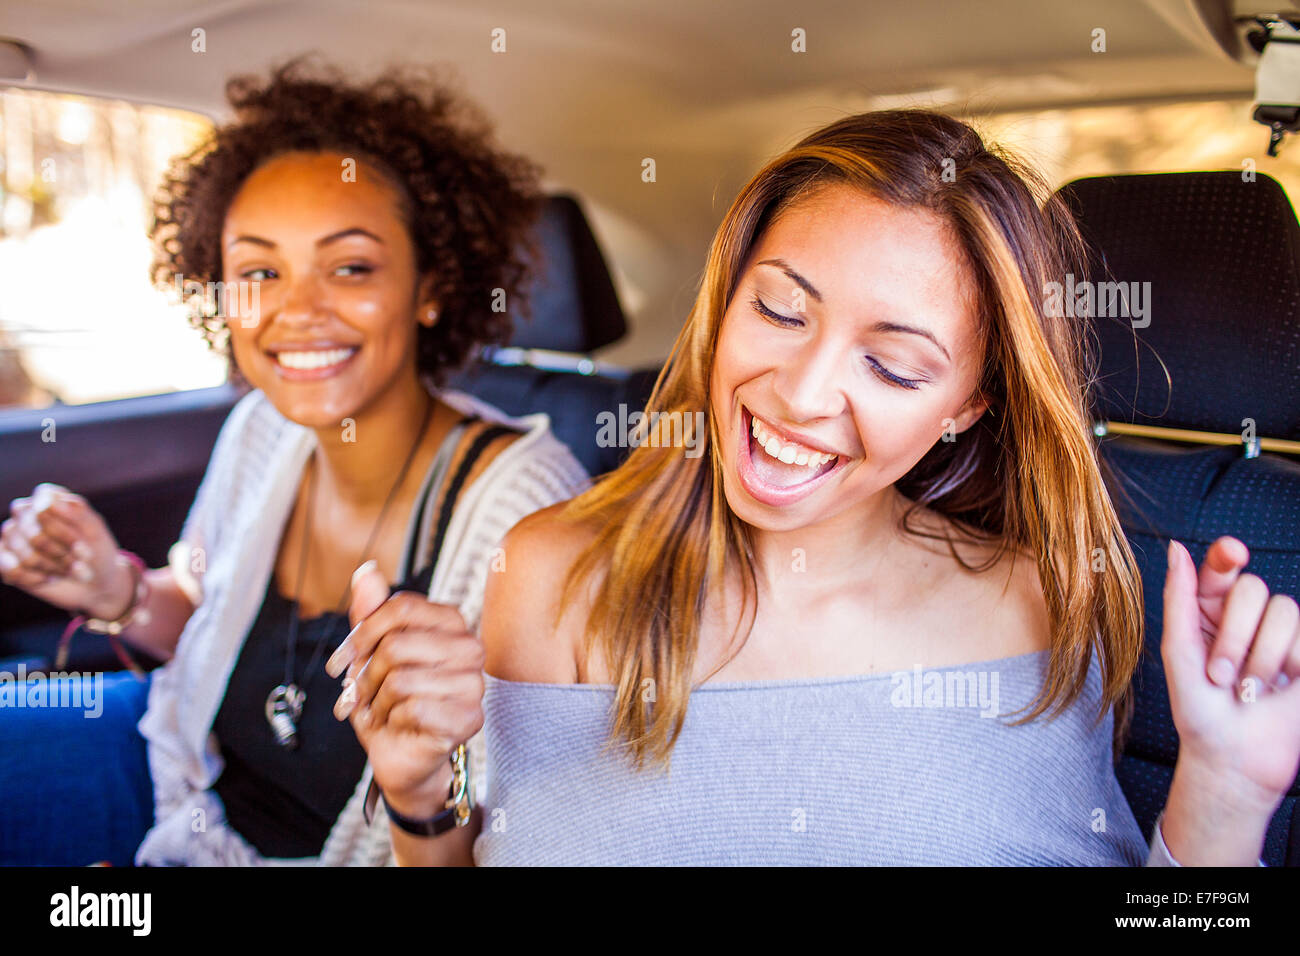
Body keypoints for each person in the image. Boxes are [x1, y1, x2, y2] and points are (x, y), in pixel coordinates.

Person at [339, 109, 1300, 866]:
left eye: (893, 367)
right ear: (725, 301)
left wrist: (1222, 793)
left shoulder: (1037, 602)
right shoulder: (548, 572)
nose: (799, 396)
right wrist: (422, 798)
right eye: (780, 310)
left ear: (970, 404)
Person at [0, 59, 588, 866]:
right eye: (259, 272)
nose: (297, 312)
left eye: (349, 267)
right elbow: (211, 621)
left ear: (432, 285)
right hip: (182, 793)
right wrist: (119, 590)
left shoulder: (530, 510)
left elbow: (523, 841)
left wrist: (419, 793)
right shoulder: (261, 430)